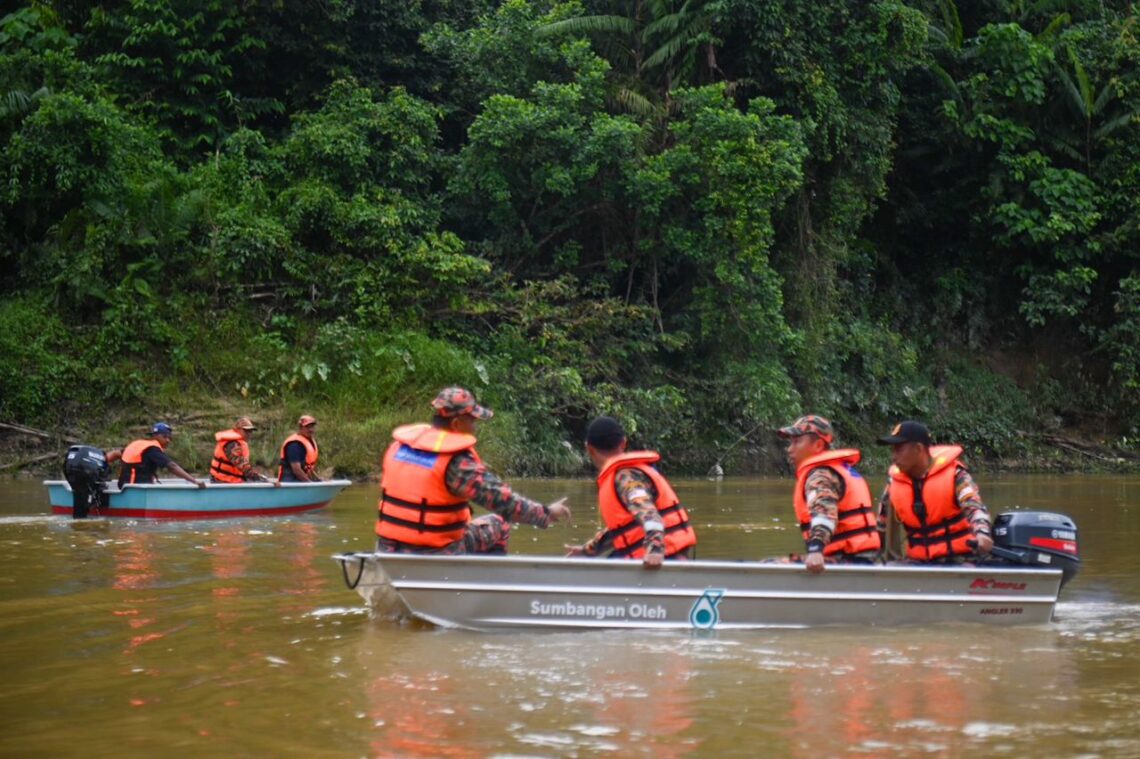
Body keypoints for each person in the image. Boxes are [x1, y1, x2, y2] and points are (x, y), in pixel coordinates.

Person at [375, 387, 571, 554]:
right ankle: (486, 590)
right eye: (472, 421)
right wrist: (546, 513)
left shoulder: (398, 448)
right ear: (456, 424)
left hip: (388, 550)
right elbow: (505, 502)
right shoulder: (457, 463)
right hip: (437, 552)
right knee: (499, 524)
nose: (475, 428)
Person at [565, 416, 697, 569]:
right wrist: (588, 551)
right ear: (623, 443)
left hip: (663, 559)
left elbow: (648, 512)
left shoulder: (625, 477)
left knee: (610, 566)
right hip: (662, 554)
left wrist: (655, 550)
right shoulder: (623, 475)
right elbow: (622, 530)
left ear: (589, 448)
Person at [875, 420, 993, 563]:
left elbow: (974, 508)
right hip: (916, 563)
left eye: (898, 449)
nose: (893, 457)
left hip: (959, 559)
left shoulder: (956, 475)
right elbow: (881, 525)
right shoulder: (894, 482)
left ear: (918, 449)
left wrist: (982, 533)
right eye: (893, 450)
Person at [776, 415, 880, 573]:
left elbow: (824, 515)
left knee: (769, 565)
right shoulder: (836, 470)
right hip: (863, 557)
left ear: (818, 445)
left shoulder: (820, 476)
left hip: (848, 560)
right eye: (790, 442)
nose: (790, 448)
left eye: (797, 441)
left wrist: (816, 550)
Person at [118, 422, 205, 488]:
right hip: (135, 490)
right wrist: (195, 481)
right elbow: (172, 466)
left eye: (170, 438)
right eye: (164, 436)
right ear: (155, 436)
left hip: (124, 487)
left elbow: (116, 453)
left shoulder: (139, 444)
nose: (168, 440)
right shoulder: (152, 449)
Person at [210, 417, 270, 483]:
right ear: (237, 430)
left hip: (231, 480)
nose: (249, 434)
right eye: (246, 431)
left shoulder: (238, 442)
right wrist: (258, 477)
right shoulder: (232, 444)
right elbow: (241, 464)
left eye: (250, 431)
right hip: (222, 481)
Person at [278, 415, 321, 482]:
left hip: (300, 480)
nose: (311, 430)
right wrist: (310, 484)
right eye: (307, 427)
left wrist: (319, 480)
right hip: (290, 481)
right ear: (300, 428)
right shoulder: (294, 445)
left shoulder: (309, 442)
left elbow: (309, 468)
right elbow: (296, 470)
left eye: (312, 427)